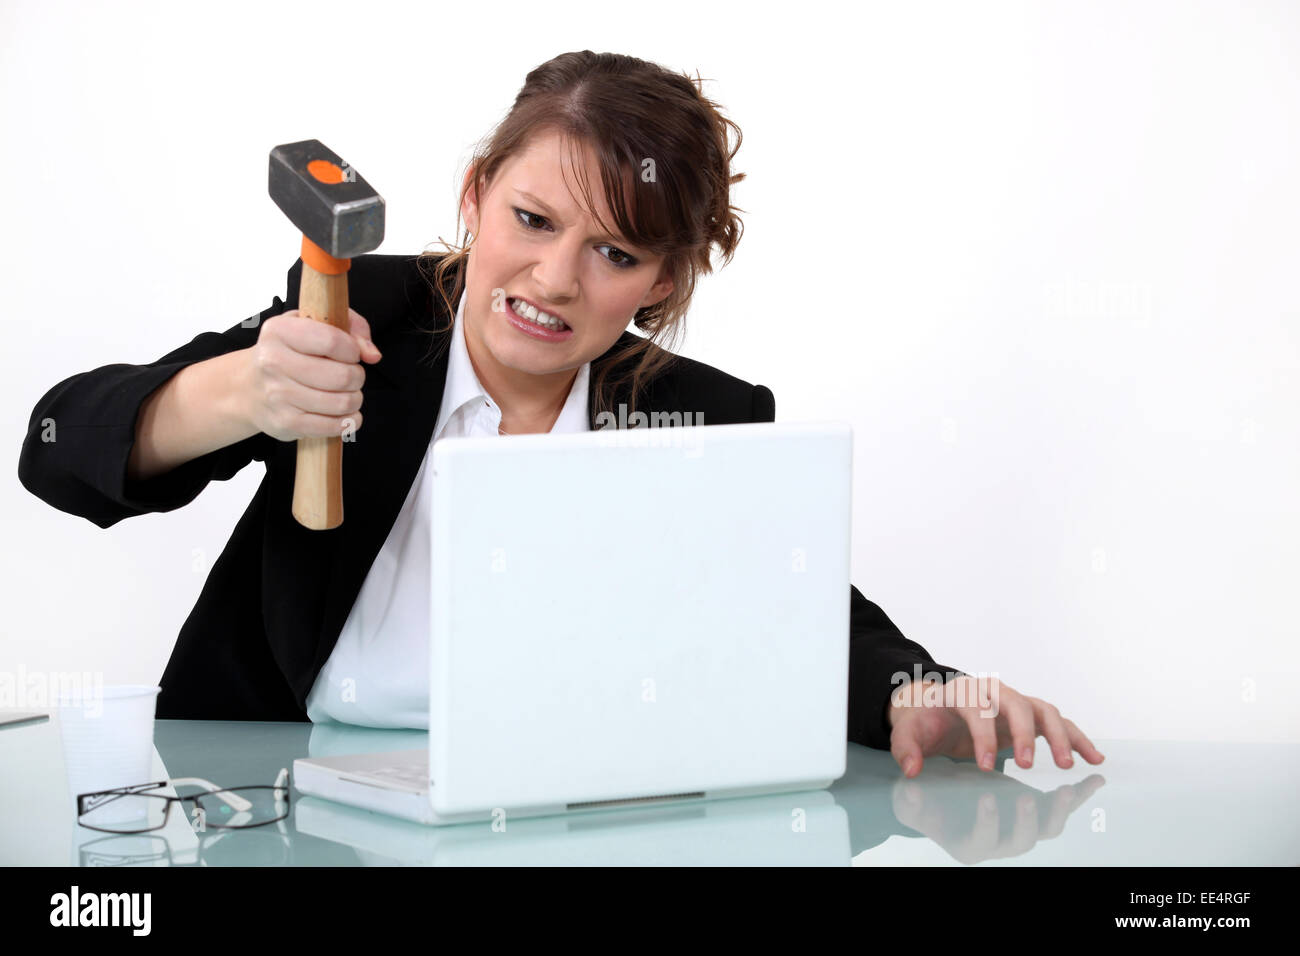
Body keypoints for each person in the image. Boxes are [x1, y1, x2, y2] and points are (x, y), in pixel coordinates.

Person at [18, 50, 1103, 780]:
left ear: (663, 286)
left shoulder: (697, 414)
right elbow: (57, 446)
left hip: (553, 814)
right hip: (279, 804)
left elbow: (809, 607)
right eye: (531, 218)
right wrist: (239, 392)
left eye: (616, 253)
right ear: (475, 194)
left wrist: (924, 686)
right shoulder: (361, 313)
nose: (553, 277)